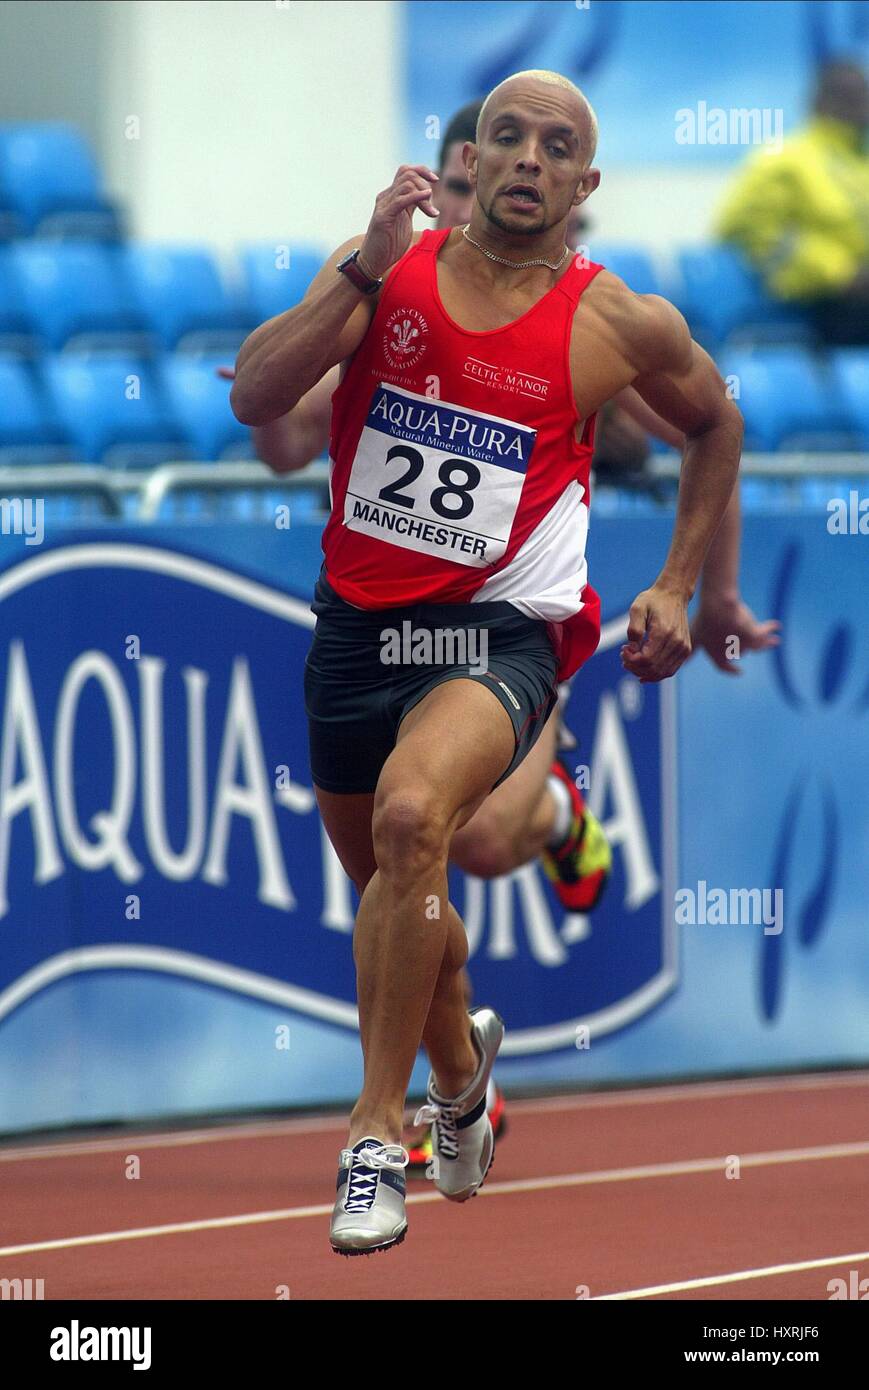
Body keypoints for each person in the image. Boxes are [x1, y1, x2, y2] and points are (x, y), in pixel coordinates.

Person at [231, 68, 769, 1256]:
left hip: (501, 635)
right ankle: (461, 1072)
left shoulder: (612, 322)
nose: (527, 156)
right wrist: (360, 268)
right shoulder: (385, 271)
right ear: (469, 161)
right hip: (357, 632)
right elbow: (259, 398)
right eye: (506, 135)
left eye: (556, 144)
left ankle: (379, 1136)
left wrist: (685, 585)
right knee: (399, 904)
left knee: (420, 821)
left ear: (585, 182)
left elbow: (716, 421)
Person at [716, 60, 869, 346]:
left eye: (863, 94)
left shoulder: (862, 163)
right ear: (819, 101)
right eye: (848, 95)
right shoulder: (784, 159)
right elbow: (748, 231)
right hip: (817, 303)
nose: (861, 104)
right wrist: (840, 272)